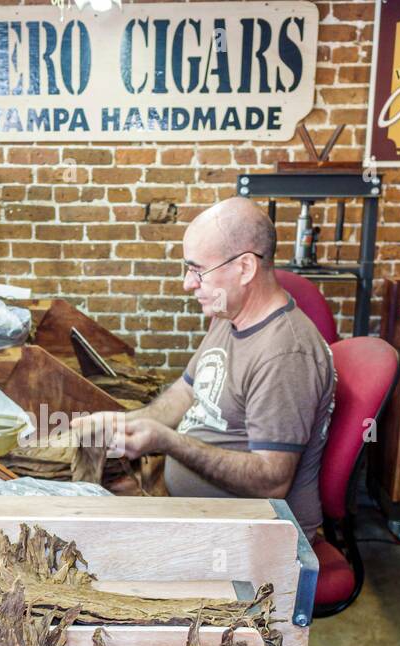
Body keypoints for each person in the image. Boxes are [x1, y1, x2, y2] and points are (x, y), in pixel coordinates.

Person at [73, 196, 335, 539]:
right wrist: (128, 423)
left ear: (245, 268)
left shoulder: (286, 354)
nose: (187, 283)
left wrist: (169, 442)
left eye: (198, 270)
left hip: (252, 533)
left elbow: (272, 482)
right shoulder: (228, 315)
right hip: (185, 500)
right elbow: (185, 392)